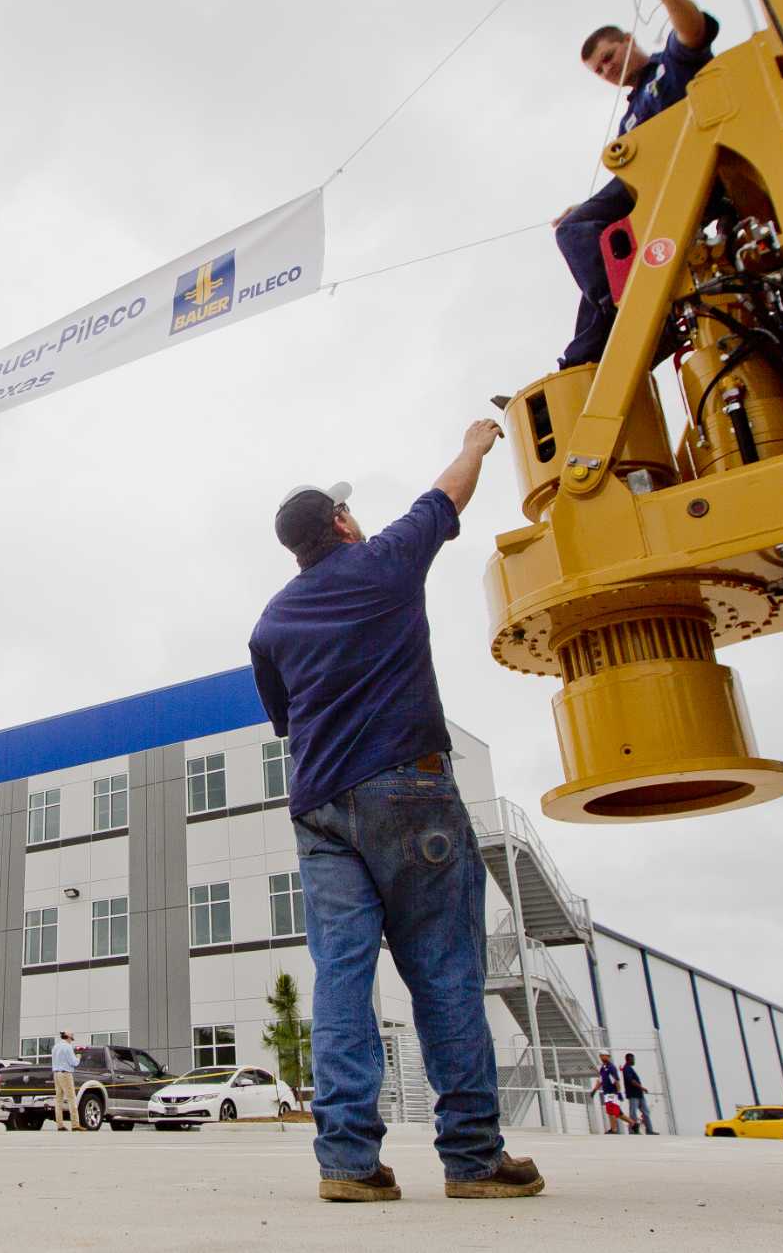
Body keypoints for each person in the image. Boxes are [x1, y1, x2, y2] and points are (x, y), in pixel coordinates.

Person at [249, 419, 545, 1204]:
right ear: (342, 524)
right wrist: (480, 443)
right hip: (409, 795)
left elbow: (287, 717)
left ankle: (347, 1164)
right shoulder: (384, 564)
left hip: (319, 811)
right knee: (444, 972)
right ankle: (474, 1160)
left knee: (341, 979)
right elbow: (447, 494)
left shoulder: (271, 624)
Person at [551, 0, 719, 369]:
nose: (606, 69)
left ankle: (630, 310)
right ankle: (579, 364)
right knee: (588, 247)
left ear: (628, 39)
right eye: (598, 69)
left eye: (609, 56)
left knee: (576, 233)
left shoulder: (669, 70)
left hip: (696, 174)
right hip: (653, 194)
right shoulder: (629, 119)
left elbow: (693, 34)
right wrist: (588, 209)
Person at [51, 1031, 81, 1132]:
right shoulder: (67, 1047)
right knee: (71, 1099)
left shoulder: (55, 1047)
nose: (71, 1041)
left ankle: (60, 1125)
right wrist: (78, 1058)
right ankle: (75, 1125)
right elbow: (73, 1062)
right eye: (71, 1039)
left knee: (58, 1100)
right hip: (65, 1074)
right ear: (68, 1038)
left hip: (56, 1074)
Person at [623, 1052, 656, 1135]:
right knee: (633, 1113)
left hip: (639, 1094)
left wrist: (641, 1090)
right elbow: (631, 1081)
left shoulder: (630, 1068)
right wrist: (642, 1087)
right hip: (633, 1095)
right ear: (628, 1059)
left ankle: (649, 1130)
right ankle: (633, 1131)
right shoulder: (626, 1068)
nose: (634, 1061)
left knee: (646, 1112)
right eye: (633, 1059)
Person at [594, 1053, 625, 1135]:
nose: (601, 1057)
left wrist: (619, 1092)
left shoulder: (611, 1067)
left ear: (608, 1056)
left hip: (612, 1092)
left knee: (612, 1111)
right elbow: (600, 1080)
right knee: (617, 1112)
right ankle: (633, 1124)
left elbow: (616, 1081)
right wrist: (594, 1090)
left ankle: (613, 1129)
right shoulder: (603, 1068)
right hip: (607, 1093)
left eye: (603, 1055)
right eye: (600, 1055)